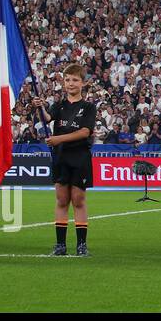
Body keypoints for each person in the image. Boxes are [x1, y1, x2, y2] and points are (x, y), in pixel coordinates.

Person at [32, 64, 97, 256]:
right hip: (61, 157)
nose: (71, 83)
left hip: (79, 156)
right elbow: (47, 117)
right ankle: (60, 245)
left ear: (83, 83)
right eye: (67, 79)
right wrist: (40, 107)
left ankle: (81, 245)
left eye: (75, 80)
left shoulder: (88, 107)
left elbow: (85, 132)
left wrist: (58, 139)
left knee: (78, 200)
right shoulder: (59, 105)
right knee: (61, 200)